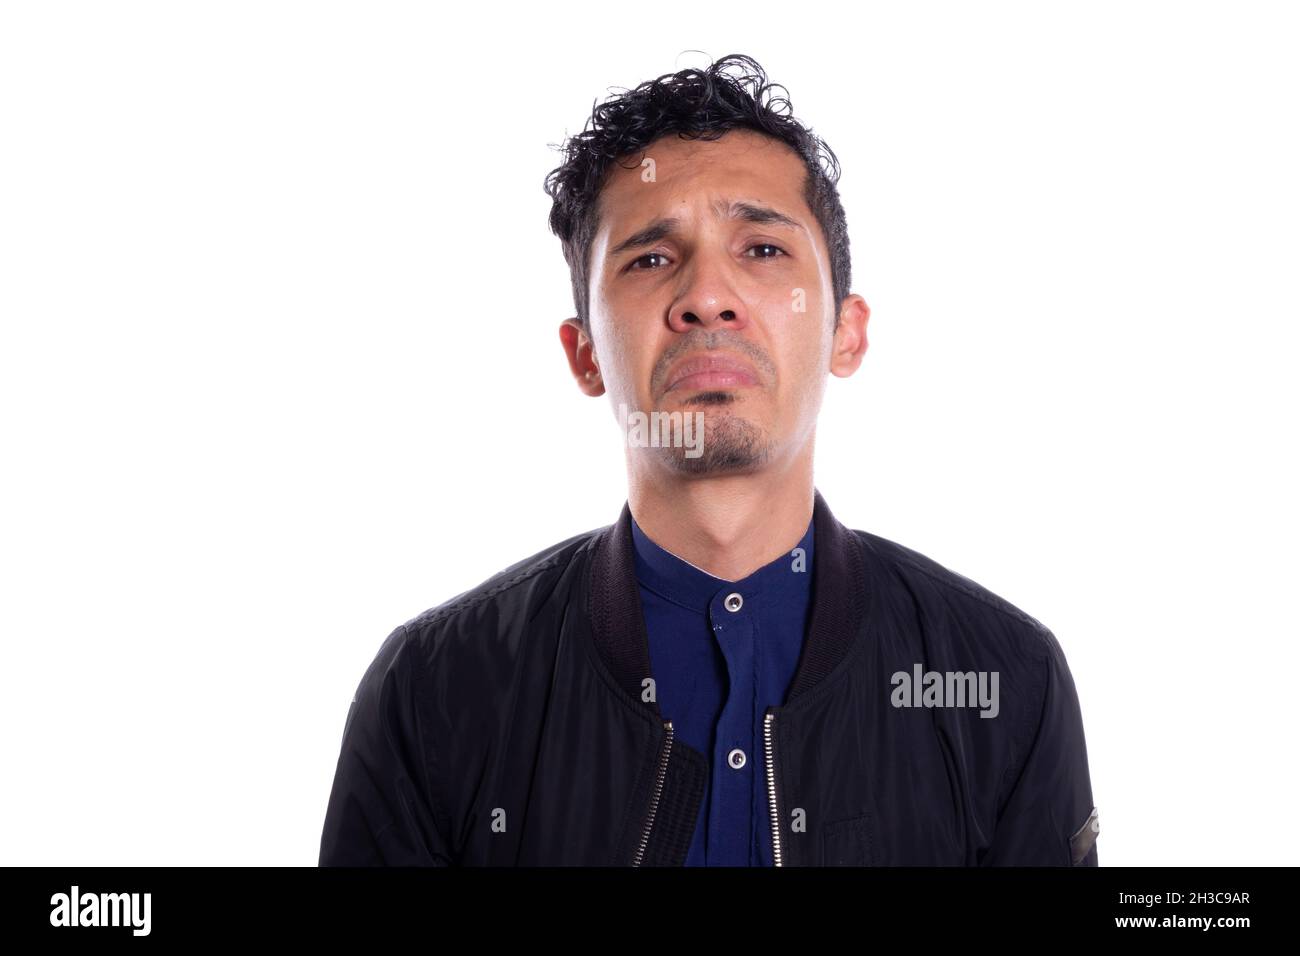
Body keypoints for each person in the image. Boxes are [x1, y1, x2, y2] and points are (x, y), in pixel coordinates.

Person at [318, 53, 1099, 867]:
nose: (706, 296)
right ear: (584, 354)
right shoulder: (435, 692)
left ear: (846, 331)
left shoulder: (1004, 681)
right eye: (651, 259)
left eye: (761, 249)